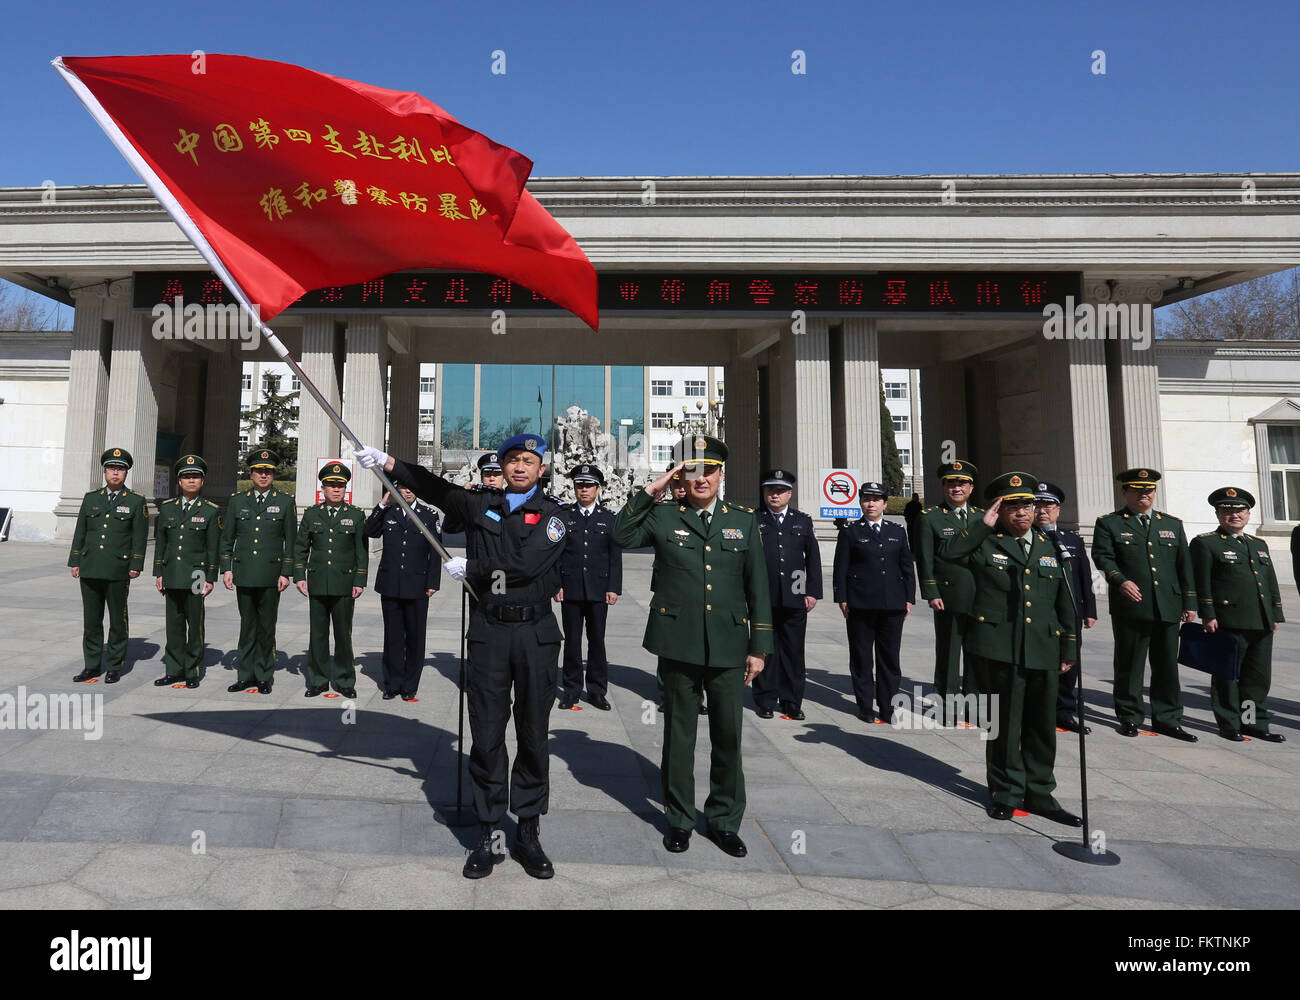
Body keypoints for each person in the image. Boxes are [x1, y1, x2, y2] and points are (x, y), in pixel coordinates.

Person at [355, 434, 567, 881]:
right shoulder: (479, 504)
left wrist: (473, 569)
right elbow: (432, 487)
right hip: (490, 631)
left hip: (535, 633)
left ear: (541, 469)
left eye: (529, 461)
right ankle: (489, 834)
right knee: (486, 734)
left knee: (533, 734)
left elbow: (527, 563)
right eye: (512, 461)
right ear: (503, 467)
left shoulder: (553, 517)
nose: (519, 467)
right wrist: (388, 462)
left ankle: (528, 832)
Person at [611, 435, 772, 858]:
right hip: (678, 643)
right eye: (692, 471)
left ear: (721, 475)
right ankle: (679, 819)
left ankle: (723, 820)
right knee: (679, 736)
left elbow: (758, 586)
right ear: (683, 474)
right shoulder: (663, 516)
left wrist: (759, 647)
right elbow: (620, 534)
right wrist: (656, 486)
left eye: (709, 471)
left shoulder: (744, 520)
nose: (702, 479)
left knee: (728, 736)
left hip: (728, 644)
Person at [940, 472, 1080, 825]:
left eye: (1028, 505)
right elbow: (949, 555)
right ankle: (1005, 792)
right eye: (1013, 506)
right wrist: (981, 525)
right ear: (999, 511)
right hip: (999, 646)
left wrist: (1069, 647)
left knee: (1042, 726)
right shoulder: (986, 542)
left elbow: (1066, 600)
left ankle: (1041, 793)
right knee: (1004, 724)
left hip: (1043, 647)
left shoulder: (1053, 546)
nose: (1022, 512)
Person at [1091, 468, 1198, 740]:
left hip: (1168, 605)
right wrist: (1120, 581)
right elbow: (1103, 557)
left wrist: (1190, 601)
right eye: (1137, 490)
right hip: (1132, 605)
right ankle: (1129, 716)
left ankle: (1168, 718)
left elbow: (1184, 565)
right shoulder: (1110, 523)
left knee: (1167, 667)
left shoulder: (1171, 524)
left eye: (1148, 490)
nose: (1144, 495)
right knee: (1130, 664)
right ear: (1125, 492)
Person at [1190, 488, 1286, 742]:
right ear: (1218, 513)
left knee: (1256, 678)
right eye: (1227, 511)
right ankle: (1229, 723)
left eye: (1239, 511)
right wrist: (1207, 614)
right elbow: (1202, 582)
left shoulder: (1258, 544)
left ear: (1248, 513)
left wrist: (1275, 613)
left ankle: (1252, 722)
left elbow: (1270, 582)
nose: (1234, 515)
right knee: (1227, 675)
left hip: (1261, 620)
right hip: (1228, 619)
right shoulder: (1206, 543)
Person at [832, 482, 914, 723]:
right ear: (860, 503)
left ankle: (888, 705)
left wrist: (909, 598)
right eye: (866, 499)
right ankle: (865, 705)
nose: (871, 504)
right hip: (860, 604)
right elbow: (841, 568)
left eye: (876, 500)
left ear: (885, 504)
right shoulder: (851, 532)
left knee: (889, 658)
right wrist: (842, 598)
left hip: (893, 605)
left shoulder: (897, 531)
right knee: (861, 657)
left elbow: (907, 568)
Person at [69, 447, 148, 684]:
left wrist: (136, 564)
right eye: (112, 468)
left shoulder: (135, 500)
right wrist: (75, 560)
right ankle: (91, 665)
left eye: (120, 469)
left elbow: (139, 536)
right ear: (104, 471)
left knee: (117, 620)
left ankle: (115, 665)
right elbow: (81, 531)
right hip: (91, 566)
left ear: (126, 473)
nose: (115, 473)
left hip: (118, 569)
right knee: (91, 620)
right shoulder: (91, 498)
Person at [220, 449, 295, 694]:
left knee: (266, 626)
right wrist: (226, 569)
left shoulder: (285, 502)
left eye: (268, 471)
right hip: (244, 572)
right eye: (259, 471)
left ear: (274, 474)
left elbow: (290, 542)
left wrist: (286, 572)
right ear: (250, 473)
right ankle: (245, 674)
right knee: (247, 625)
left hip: (271, 575)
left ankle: (263, 675)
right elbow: (227, 537)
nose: (264, 475)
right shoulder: (238, 501)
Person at [914, 461, 984, 724]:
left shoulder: (982, 516)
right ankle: (948, 706)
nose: (956, 488)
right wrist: (931, 592)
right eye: (951, 483)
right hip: (948, 595)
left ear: (971, 487)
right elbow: (925, 558)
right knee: (949, 653)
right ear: (943, 486)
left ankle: (975, 704)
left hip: (981, 596)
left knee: (978, 653)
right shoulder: (930, 517)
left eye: (962, 483)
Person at [293, 463, 367, 699]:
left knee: (343, 635)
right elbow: (301, 547)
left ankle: (345, 679)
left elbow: (361, 552)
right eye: (331, 485)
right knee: (318, 634)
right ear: (322, 488)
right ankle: (318, 679)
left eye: (340, 485)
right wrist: (298, 576)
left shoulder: (355, 514)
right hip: (317, 581)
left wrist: (360, 580)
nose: (336, 490)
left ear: (345, 488)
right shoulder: (312, 514)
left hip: (344, 583)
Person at [364, 478, 442, 701]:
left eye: (411, 487)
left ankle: (409, 685)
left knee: (416, 638)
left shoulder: (429, 515)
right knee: (393, 637)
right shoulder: (389, 512)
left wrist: (432, 583)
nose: (407, 491)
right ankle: (392, 683)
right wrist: (382, 504)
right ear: (395, 489)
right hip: (391, 584)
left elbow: (435, 552)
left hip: (418, 585)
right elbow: (369, 531)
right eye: (402, 487)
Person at [753, 469, 821, 720]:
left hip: (795, 596)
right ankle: (765, 700)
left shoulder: (802, 521)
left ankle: (792, 701)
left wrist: (812, 592)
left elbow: (812, 559)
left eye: (780, 491)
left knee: (794, 652)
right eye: (770, 490)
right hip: (764, 595)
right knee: (765, 648)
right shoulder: (754, 519)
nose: (775, 495)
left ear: (789, 494)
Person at [556, 463, 622, 711]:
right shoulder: (565, 516)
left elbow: (615, 556)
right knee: (572, 641)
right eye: (579, 486)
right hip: (570, 588)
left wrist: (614, 587)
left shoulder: (609, 519)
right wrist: (556, 584)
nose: (583, 490)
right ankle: (571, 690)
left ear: (598, 489)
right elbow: (557, 553)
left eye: (588, 486)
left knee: (597, 641)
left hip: (598, 588)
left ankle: (596, 690)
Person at [1032, 481, 1098, 734]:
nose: (1042, 511)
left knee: (1069, 665)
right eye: (1037, 505)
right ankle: (1040, 711)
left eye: (1048, 505)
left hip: (1070, 612)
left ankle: (1064, 712)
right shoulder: (1028, 539)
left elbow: (1083, 578)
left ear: (1058, 509)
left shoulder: (1071, 540)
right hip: (1040, 614)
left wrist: (1090, 610)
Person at [151, 455, 221, 688]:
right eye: (187, 477)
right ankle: (173, 669)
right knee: (174, 624)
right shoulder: (168, 507)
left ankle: (192, 670)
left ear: (202, 481)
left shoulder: (210, 511)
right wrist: (158, 572)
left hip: (196, 575)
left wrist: (210, 578)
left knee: (195, 624)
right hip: (172, 573)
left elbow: (213, 547)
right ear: (179, 481)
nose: (191, 481)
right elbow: (162, 542)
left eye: (196, 477)